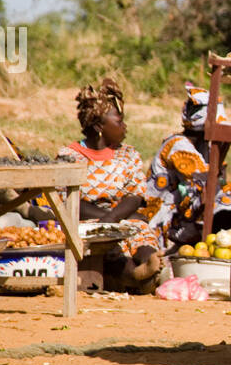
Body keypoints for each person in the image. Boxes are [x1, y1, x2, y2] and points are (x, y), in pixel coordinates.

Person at [59, 78, 162, 291]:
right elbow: (68, 200)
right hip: (86, 220)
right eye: (119, 121)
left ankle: (149, 263)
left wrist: (113, 219)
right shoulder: (70, 157)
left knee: (139, 229)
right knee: (109, 244)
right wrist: (107, 222)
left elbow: (134, 196)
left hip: (119, 218)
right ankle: (135, 276)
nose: (124, 126)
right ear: (99, 126)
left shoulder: (128, 155)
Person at [145, 82, 231, 253]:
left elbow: (218, 175)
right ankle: (208, 245)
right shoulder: (178, 146)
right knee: (225, 196)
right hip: (164, 218)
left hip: (183, 212)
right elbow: (208, 183)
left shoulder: (203, 147)